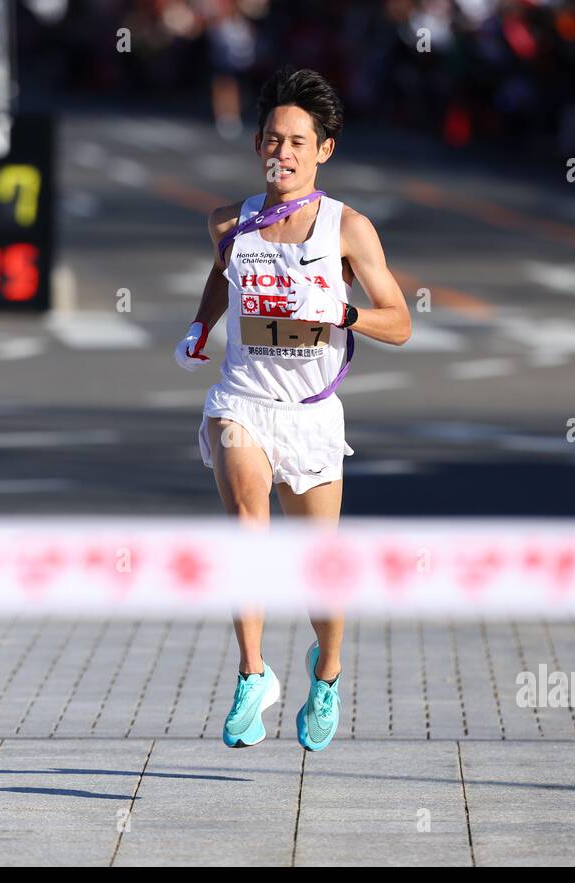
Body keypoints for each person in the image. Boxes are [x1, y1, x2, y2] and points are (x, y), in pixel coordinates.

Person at [173, 65, 411, 751]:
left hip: (310, 413)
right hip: (242, 398)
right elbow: (224, 277)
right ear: (257, 145)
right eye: (273, 140)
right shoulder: (229, 222)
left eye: (298, 143)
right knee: (246, 524)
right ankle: (253, 673)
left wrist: (342, 310)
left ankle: (327, 671)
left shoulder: (348, 229)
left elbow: (400, 323)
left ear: (323, 151)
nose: (283, 153)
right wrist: (199, 327)